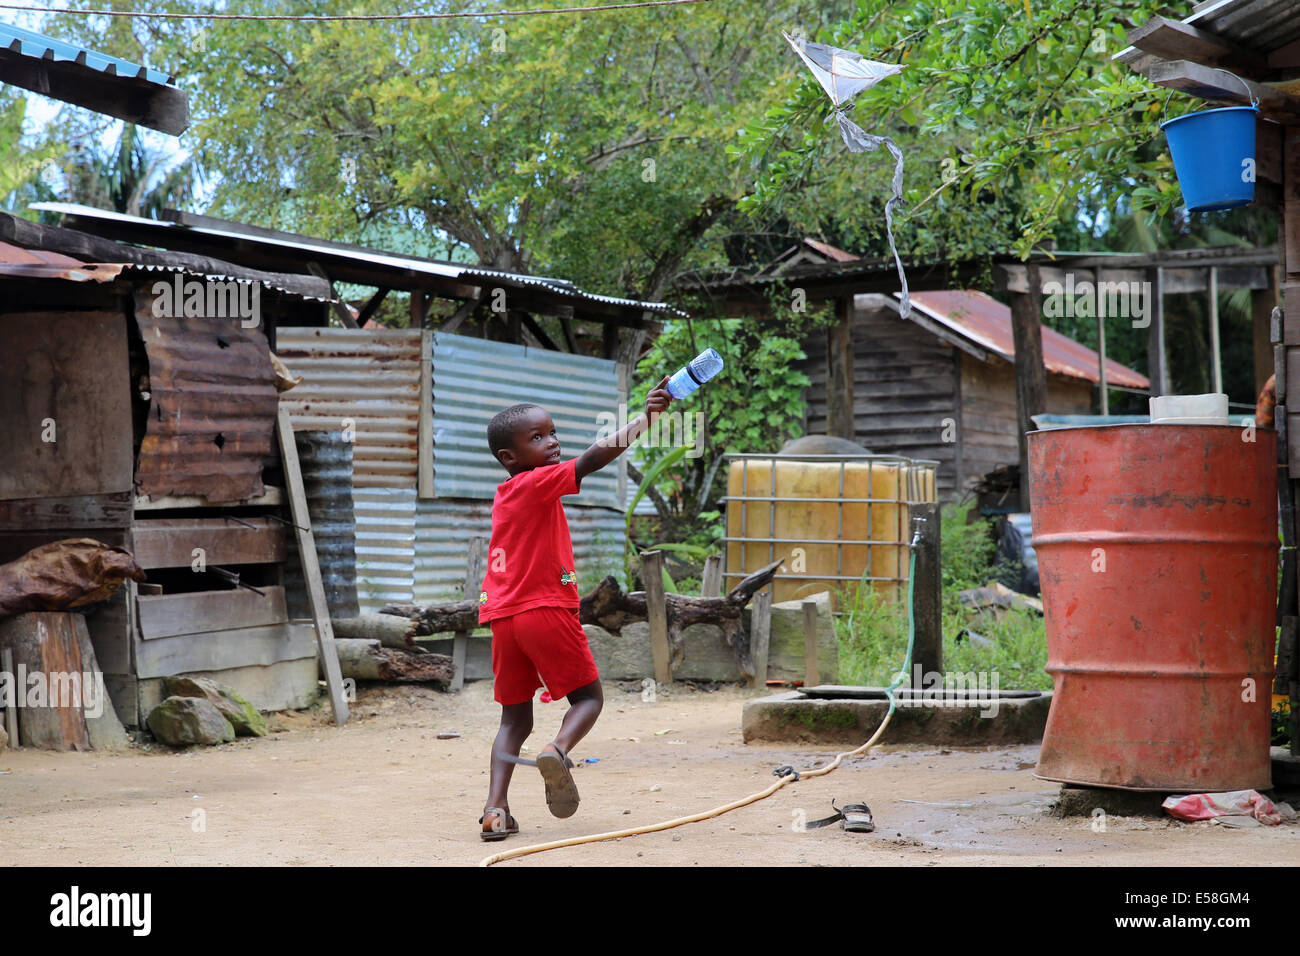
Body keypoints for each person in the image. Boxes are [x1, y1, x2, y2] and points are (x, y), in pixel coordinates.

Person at [476, 377, 674, 840]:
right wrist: (646, 419)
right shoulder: (538, 482)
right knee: (588, 698)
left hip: (501, 618)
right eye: (538, 438)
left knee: (513, 718)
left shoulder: (506, 493)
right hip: (543, 611)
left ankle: (494, 809)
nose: (552, 442)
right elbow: (592, 457)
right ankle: (558, 750)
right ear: (510, 457)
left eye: (553, 432)